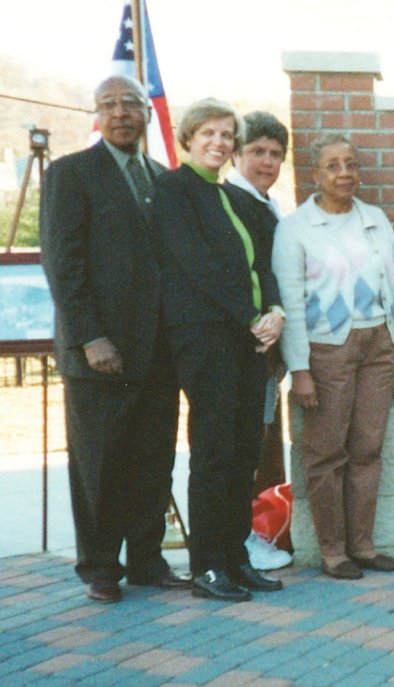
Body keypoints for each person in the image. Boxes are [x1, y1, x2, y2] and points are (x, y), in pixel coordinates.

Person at [39, 75, 189, 604]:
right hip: (100, 355)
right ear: (96, 115)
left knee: (153, 461)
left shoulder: (163, 178)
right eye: (109, 104)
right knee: (99, 464)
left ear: (147, 114)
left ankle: (148, 560)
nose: (121, 112)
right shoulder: (70, 174)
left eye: (131, 103)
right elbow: (62, 265)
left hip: (158, 352)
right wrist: (90, 337)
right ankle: (102, 567)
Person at [152, 98, 285, 602]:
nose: (219, 142)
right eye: (208, 133)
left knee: (242, 451)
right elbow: (196, 265)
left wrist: (274, 310)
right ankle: (208, 566)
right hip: (206, 337)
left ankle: (236, 557)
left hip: (248, 340)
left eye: (227, 135)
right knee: (212, 453)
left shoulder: (236, 198)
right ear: (189, 138)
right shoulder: (173, 190)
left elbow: (262, 266)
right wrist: (252, 317)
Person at [272, 132, 394, 581]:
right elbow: (291, 303)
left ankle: (363, 545)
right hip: (326, 348)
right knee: (327, 453)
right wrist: (300, 370)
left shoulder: (375, 219)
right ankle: (333, 551)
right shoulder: (295, 227)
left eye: (350, 164)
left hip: (377, 344)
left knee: (368, 448)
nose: (344, 173)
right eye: (332, 166)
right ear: (314, 174)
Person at [225, 111, 293, 572]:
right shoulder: (228, 202)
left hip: (267, 354)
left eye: (275, 154)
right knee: (238, 450)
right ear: (236, 154)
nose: (266, 162)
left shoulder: (268, 205)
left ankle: (251, 535)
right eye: (256, 152)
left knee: (258, 445)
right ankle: (238, 542)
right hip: (241, 351)